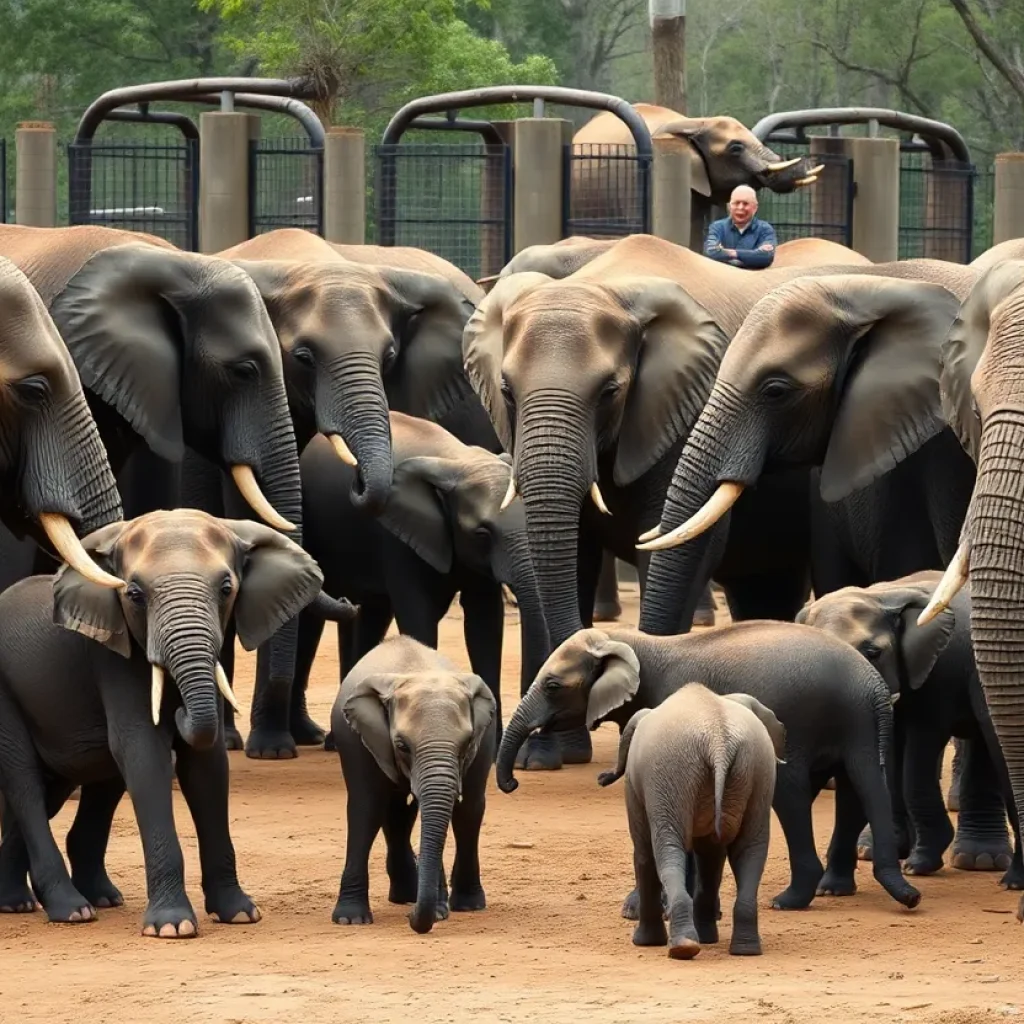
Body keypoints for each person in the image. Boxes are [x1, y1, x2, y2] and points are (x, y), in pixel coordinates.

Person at [703, 184, 778, 269]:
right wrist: (752, 255)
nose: (740, 207)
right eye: (736, 203)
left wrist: (730, 253)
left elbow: (765, 257)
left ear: (755, 207)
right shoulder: (717, 227)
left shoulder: (765, 229)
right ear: (729, 206)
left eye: (745, 203)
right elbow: (711, 252)